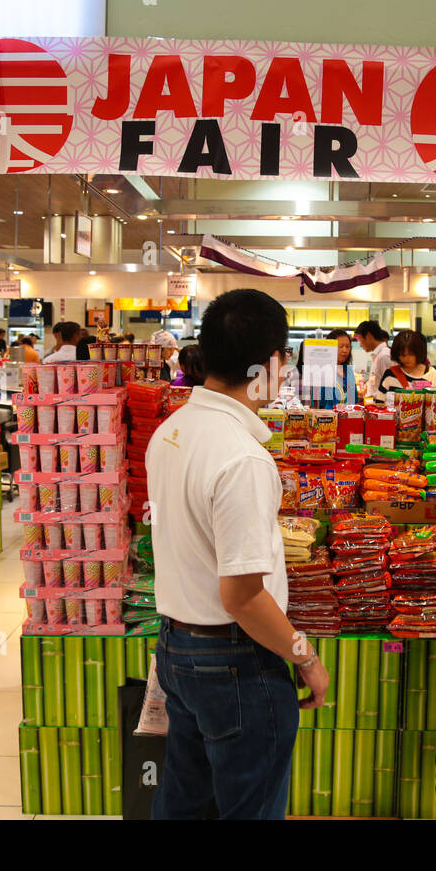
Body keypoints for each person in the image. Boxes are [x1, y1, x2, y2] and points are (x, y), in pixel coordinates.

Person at [146, 288, 329, 820]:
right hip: (235, 661)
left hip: (177, 646)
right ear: (269, 363)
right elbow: (243, 596)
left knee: (183, 799)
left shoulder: (172, 431)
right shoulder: (243, 458)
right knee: (250, 806)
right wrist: (305, 656)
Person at [378, 330, 436, 395]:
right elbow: (380, 402)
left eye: (410, 354)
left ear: (418, 352)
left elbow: (434, 401)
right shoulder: (390, 374)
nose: (406, 358)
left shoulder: (431, 373)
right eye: (402, 355)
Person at [354, 320, 392, 402]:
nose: (360, 344)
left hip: (380, 407)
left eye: (360, 340)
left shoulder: (384, 356)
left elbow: (389, 388)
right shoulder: (377, 356)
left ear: (368, 336)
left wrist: (369, 398)